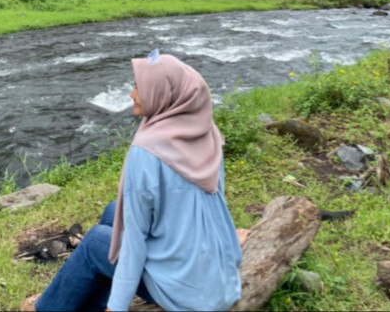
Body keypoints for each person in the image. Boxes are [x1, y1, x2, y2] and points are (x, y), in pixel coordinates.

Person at [21, 50, 244, 312]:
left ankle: (46, 308)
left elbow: (135, 242)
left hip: (188, 294)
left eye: (139, 86)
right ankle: (87, 303)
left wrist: (118, 307)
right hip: (218, 279)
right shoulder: (205, 132)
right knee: (113, 211)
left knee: (95, 242)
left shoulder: (147, 152)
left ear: (162, 94)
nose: (132, 94)